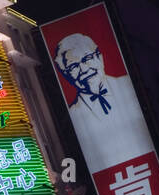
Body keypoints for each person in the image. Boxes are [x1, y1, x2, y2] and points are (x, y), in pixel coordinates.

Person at [51, 32, 150, 171]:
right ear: (66, 75)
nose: (84, 69)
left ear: (99, 57)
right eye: (74, 67)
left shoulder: (128, 86)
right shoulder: (73, 115)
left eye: (87, 58)